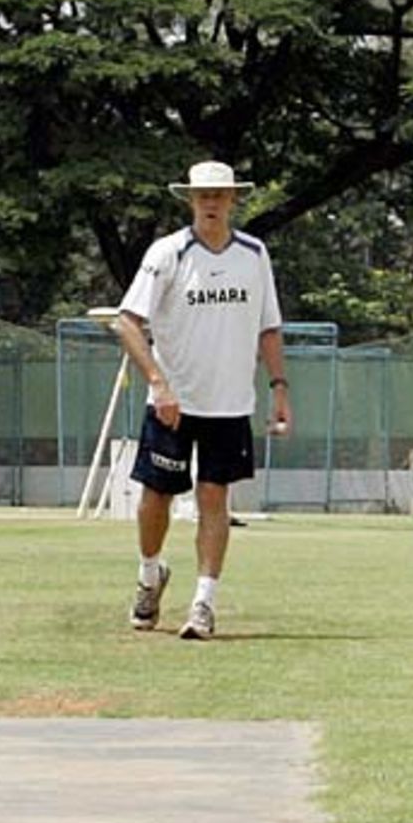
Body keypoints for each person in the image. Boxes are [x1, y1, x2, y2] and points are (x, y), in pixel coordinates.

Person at [114, 160, 291, 642]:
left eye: (220, 195)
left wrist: (279, 388)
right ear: (190, 199)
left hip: (230, 404)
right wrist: (159, 383)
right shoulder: (168, 253)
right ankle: (150, 575)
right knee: (157, 497)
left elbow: (269, 327)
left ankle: (203, 604)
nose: (211, 203)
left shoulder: (254, 255)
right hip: (174, 404)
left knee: (215, 497)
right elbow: (126, 322)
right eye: (202, 195)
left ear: (234, 199)